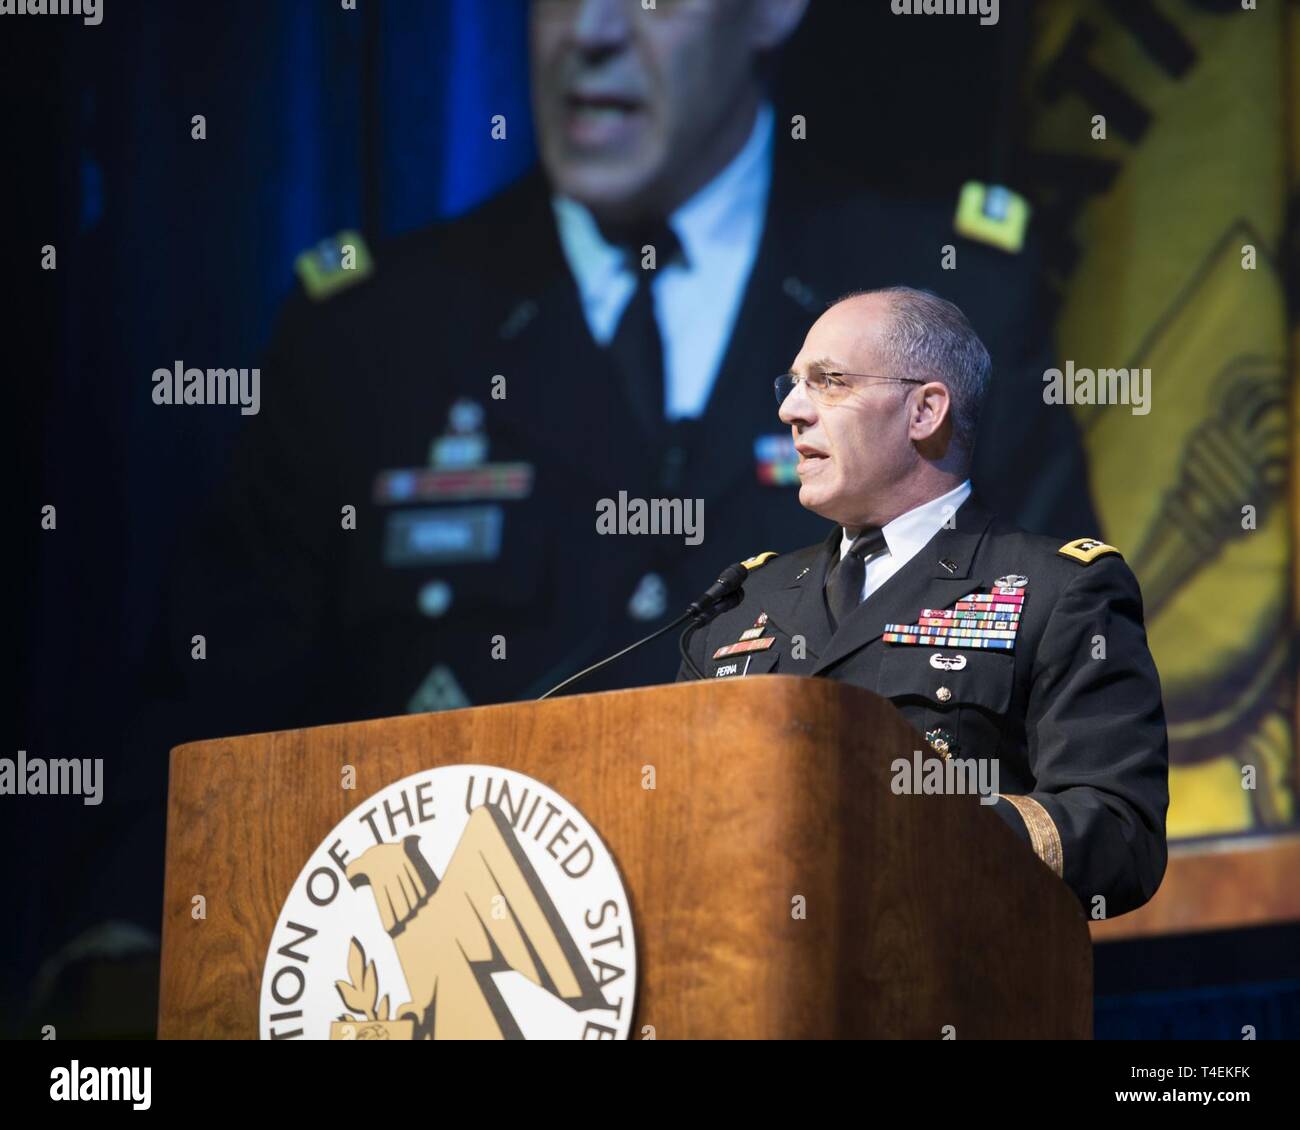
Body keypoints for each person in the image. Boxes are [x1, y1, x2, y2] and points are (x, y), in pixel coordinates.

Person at [158, 0, 1096, 739]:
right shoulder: (369, 336)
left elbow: (1063, 702)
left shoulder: (957, 300)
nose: (593, 32)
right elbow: (211, 729)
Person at [678, 288, 1168, 917]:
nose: (793, 410)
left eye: (828, 381)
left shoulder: (1058, 589)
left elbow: (1118, 835)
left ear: (924, 412)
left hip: (944, 996)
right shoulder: (741, 602)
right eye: (792, 384)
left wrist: (906, 828)